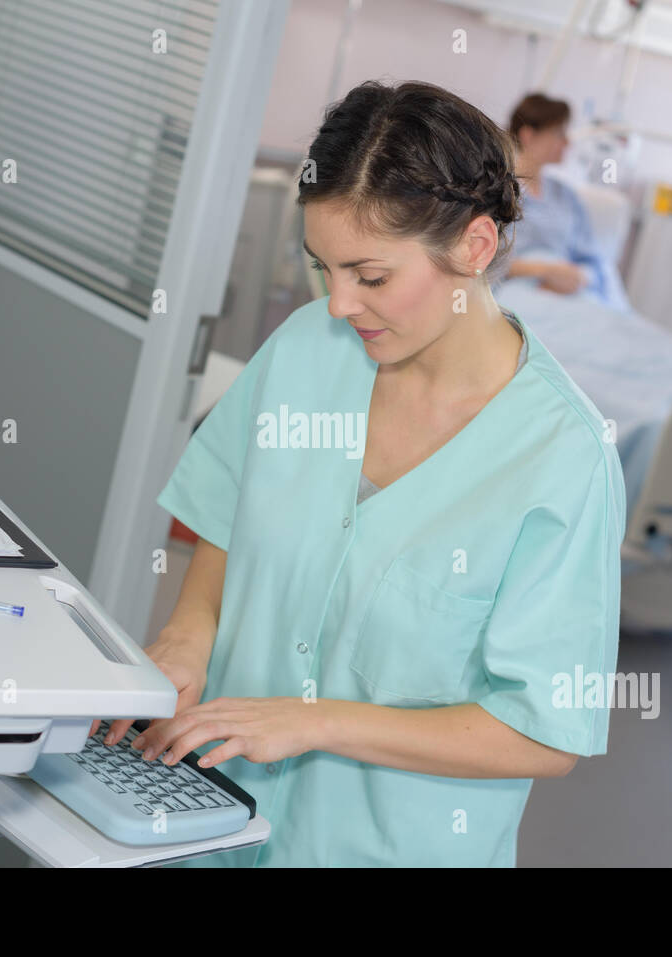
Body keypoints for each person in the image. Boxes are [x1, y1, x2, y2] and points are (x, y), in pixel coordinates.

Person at [106, 80, 624, 867]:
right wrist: (186, 641)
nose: (340, 303)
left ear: (475, 248)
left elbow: (541, 731)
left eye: (370, 275)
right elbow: (225, 517)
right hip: (210, 824)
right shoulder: (306, 350)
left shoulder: (562, 460)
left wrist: (313, 720)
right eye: (322, 267)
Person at [502, 92, 628, 310]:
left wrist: (578, 278)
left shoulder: (566, 197)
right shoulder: (499, 190)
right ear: (528, 135)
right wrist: (544, 271)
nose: (567, 141)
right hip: (517, 293)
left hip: (570, 293)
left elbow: (593, 261)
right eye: (558, 133)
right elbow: (481, 260)